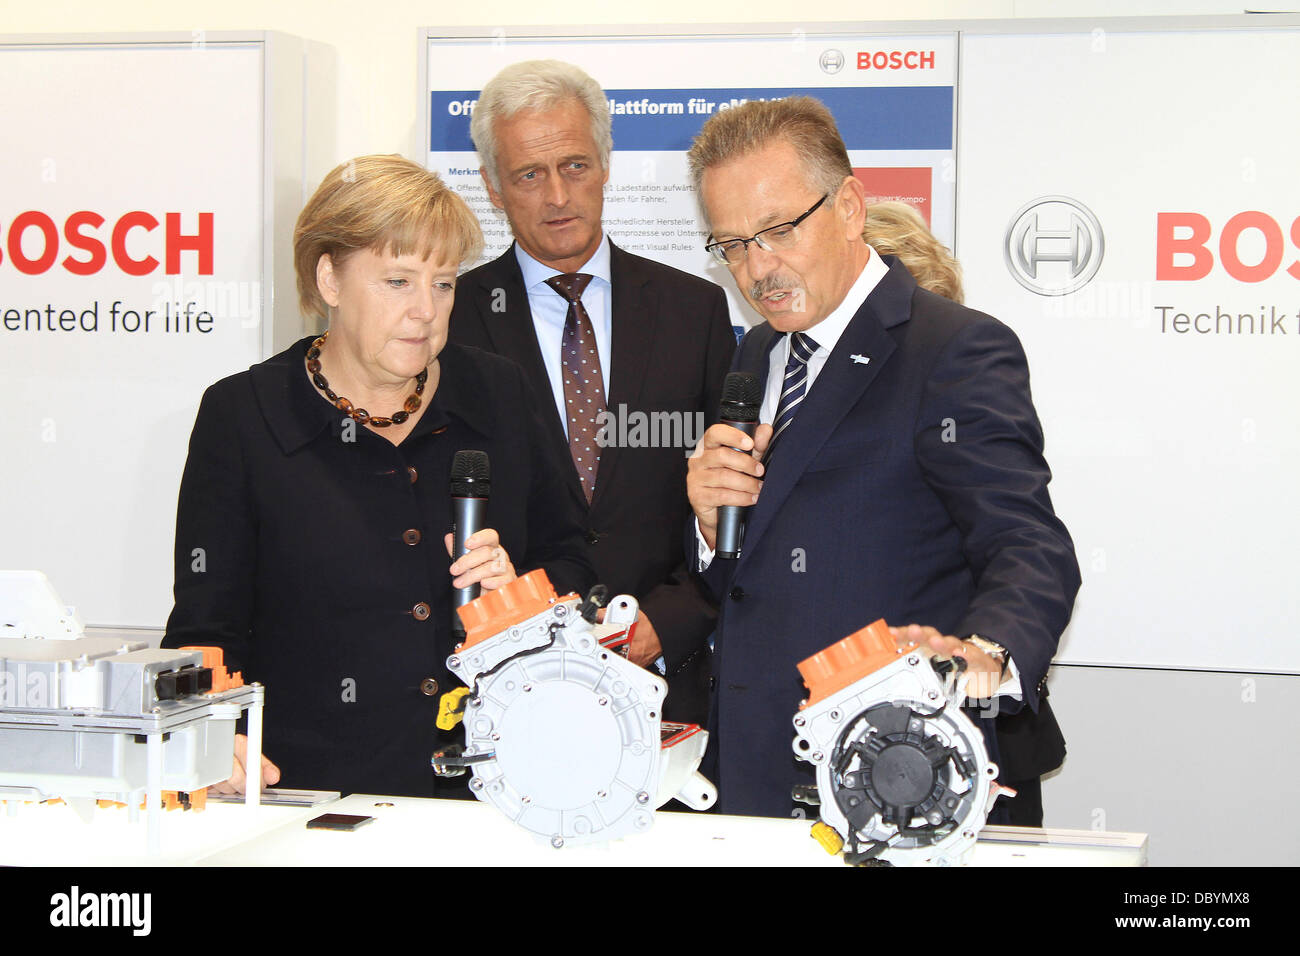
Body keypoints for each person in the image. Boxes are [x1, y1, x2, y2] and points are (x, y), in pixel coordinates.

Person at [684, 97, 1080, 819]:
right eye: (732, 244)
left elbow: (1026, 541)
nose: (756, 268)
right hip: (754, 778)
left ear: (850, 207)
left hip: (896, 783)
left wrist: (985, 655)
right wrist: (711, 530)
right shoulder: (757, 353)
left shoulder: (952, 349)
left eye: (776, 231)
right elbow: (753, 578)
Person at [162, 155, 594, 799]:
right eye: (397, 281)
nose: (426, 311)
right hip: (308, 800)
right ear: (329, 278)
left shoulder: (500, 393)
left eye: (444, 284)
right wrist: (214, 732)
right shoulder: (244, 416)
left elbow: (574, 565)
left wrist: (520, 596)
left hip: (498, 791)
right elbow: (205, 629)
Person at [448, 60, 735, 725]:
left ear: (606, 164)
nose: (556, 197)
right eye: (528, 174)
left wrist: (669, 620)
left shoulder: (694, 310)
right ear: (491, 185)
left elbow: (739, 499)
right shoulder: (450, 323)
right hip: (503, 684)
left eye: (575, 166)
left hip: (668, 686)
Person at [860, 199, 1064, 826]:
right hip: (847, 731)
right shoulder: (778, 374)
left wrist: (984, 654)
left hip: (969, 741)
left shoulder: (963, 360)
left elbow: (1024, 540)